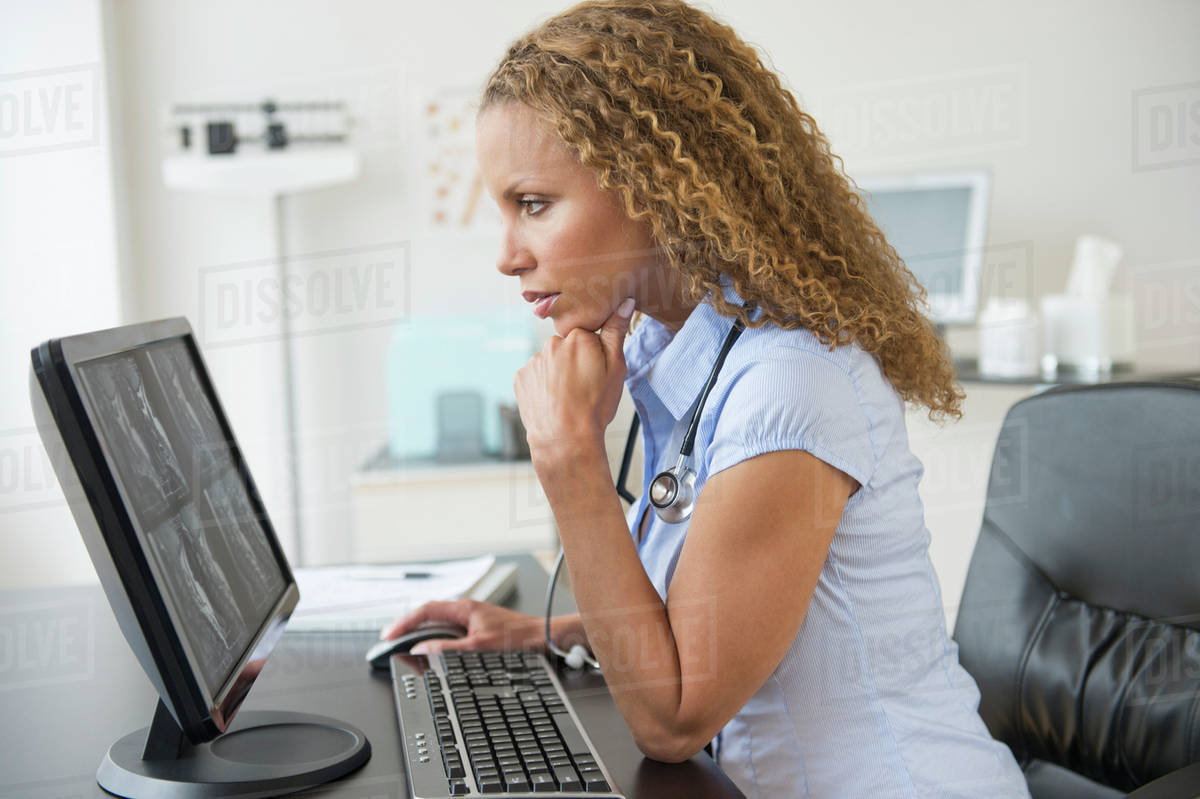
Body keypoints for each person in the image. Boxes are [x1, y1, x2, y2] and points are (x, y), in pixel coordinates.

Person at [380, 1, 1030, 795]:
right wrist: (546, 632)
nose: (508, 255)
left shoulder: (792, 383)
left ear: (649, 184)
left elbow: (675, 717)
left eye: (535, 205)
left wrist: (569, 458)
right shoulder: (671, 345)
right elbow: (709, 620)